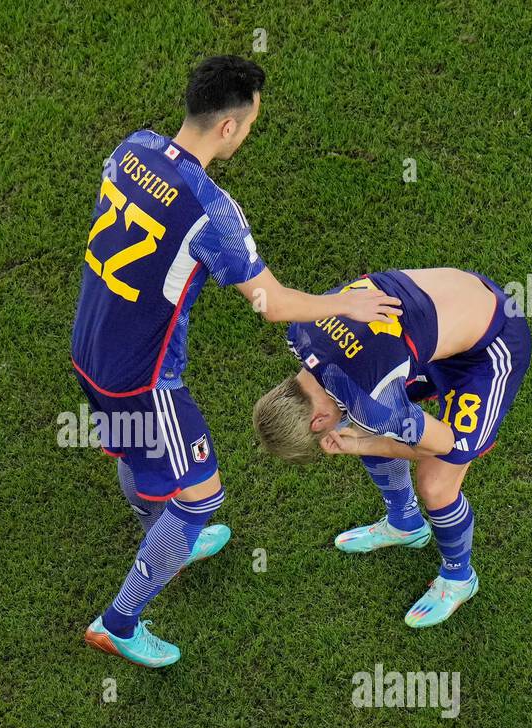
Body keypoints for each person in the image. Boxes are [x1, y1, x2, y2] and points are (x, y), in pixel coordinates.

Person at [71, 55, 401, 666]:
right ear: (229, 126)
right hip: (144, 379)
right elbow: (271, 304)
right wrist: (343, 304)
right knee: (200, 497)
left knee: (136, 453)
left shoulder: (133, 148)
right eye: (249, 124)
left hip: (90, 347)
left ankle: (166, 534)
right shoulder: (211, 209)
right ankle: (120, 620)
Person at [253, 269, 532, 627]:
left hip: (491, 346)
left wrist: (363, 444)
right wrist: (366, 434)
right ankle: (405, 523)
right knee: (364, 422)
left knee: (436, 484)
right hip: (442, 312)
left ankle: (459, 579)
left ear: (317, 422)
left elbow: (441, 444)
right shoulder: (300, 332)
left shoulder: (372, 404)